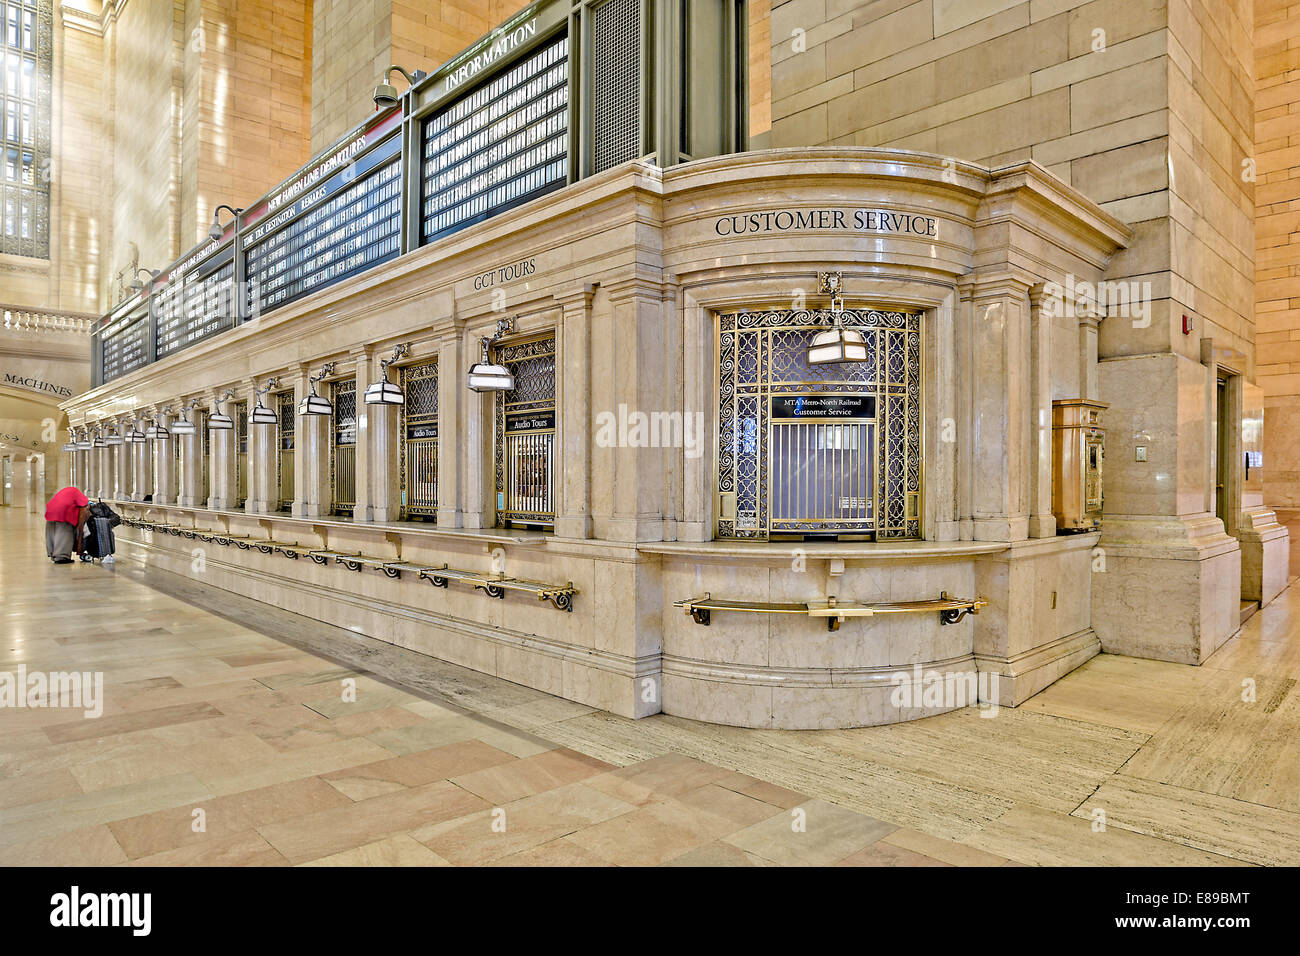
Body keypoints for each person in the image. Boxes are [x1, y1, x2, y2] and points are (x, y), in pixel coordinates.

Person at [45, 486, 90, 564]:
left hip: (50, 510)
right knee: (64, 534)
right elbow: (84, 502)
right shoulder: (76, 492)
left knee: (51, 533)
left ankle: (53, 554)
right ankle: (62, 557)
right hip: (63, 512)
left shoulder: (63, 492)